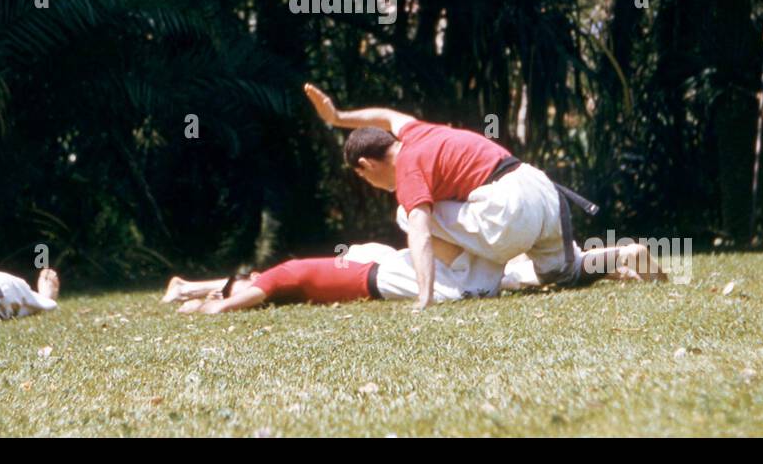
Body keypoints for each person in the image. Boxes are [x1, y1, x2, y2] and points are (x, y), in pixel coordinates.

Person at [304, 83, 663, 310]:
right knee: (563, 273)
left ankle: (461, 280)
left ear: (365, 165)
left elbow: (419, 232)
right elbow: (386, 115)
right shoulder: (416, 132)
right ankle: (625, 254)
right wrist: (337, 117)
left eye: (363, 179)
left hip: (506, 206)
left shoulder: (409, 169)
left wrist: (424, 296)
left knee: (408, 214)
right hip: (541, 187)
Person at [170, 239, 504, 314]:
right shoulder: (279, 279)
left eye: (233, 286)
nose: (233, 291)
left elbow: (222, 309)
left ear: (254, 274)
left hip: (381, 274)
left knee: (468, 289)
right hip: (375, 267)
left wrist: (198, 304)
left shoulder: (273, 277)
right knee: (472, 278)